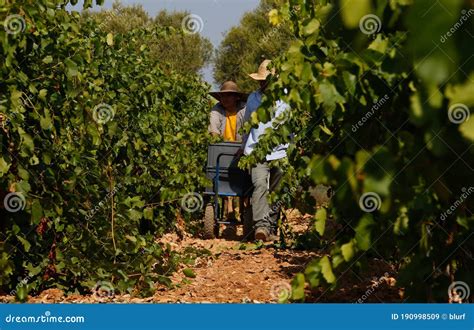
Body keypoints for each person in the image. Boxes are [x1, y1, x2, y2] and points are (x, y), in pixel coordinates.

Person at [241, 60, 290, 242]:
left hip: (281, 151)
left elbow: (292, 125)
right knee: (260, 184)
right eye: (260, 81)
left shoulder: (286, 98)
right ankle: (261, 227)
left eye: (265, 81)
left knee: (276, 191)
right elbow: (247, 125)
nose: (262, 84)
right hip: (256, 151)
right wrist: (242, 147)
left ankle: (271, 226)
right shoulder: (252, 98)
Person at [208, 81, 248, 218]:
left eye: (229, 96)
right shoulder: (217, 109)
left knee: (245, 179)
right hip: (223, 150)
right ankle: (228, 208)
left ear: (236, 97)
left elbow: (249, 129)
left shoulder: (244, 109)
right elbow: (214, 132)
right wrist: (218, 141)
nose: (224, 99)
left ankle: (243, 209)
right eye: (222, 96)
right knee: (220, 174)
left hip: (241, 149)